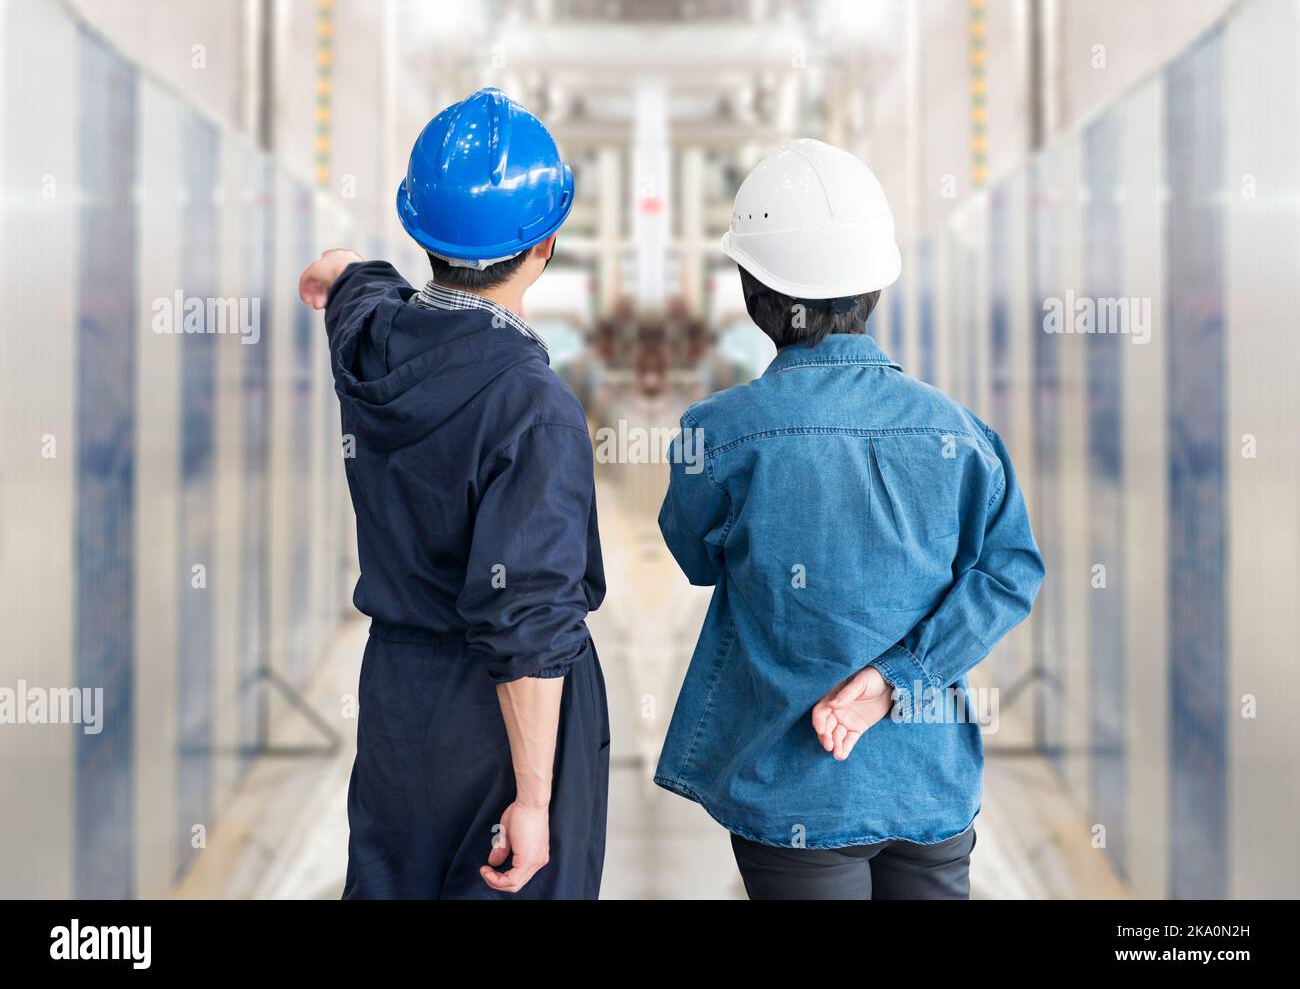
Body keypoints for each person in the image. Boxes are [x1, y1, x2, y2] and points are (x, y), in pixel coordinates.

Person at [654, 138, 1045, 900]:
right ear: (875, 285)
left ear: (755, 293)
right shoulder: (960, 434)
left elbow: (696, 556)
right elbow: (1010, 569)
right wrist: (899, 677)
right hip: (927, 783)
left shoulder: (721, 433)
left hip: (794, 785)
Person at [297, 88, 608, 899]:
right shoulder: (534, 407)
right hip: (493, 716)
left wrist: (331, 267)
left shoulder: (369, 338)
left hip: (397, 702)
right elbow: (527, 618)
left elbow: (350, 278)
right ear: (544, 244)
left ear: (420, 232)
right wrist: (534, 799)